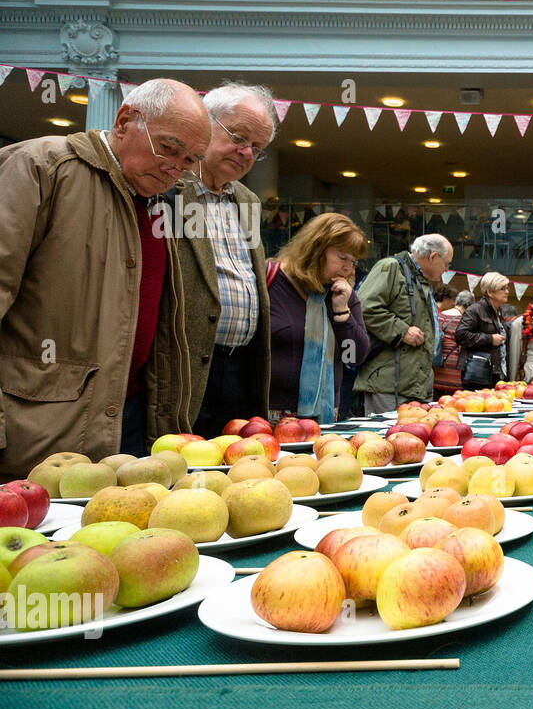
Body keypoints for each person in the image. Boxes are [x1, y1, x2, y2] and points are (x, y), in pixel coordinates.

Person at [0, 77, 209, 478]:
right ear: (125, 120)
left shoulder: (158, 203)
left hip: (127, 424)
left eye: (190, 160)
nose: (176, 168)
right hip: (36, 433)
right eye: (169, 148)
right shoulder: (41, 167)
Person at [171, 82, 277, 437]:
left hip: (240, 369)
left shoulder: (246, 200)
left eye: (256, 148)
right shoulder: (168, 188)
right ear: (204, 123)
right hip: (183, 369)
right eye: (239, 137)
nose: (246, 151)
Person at [266, 213, 371, 422]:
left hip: (322, 420)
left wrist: (342, 314)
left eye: (353, 261)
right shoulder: (270, 281)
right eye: (342, 258)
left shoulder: (342, 294)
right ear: (315, 249)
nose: (349, 268)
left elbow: (353, 358)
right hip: (266, 417)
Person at [354, 233, 452, 413]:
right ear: (433, 257)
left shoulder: (421, 281)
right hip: (388, 387)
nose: (446, 270)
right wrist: (402, 331)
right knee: (386, 439)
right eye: (446, 264)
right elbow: (364, 307)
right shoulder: (391, 267)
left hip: (413, 387)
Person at [456, 272, 510, 390]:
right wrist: (489, 339)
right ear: (490, 292)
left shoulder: (499, 311)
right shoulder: (475, 310)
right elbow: (461, 335)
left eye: (507, 287)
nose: (507, 291)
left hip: (497, 373)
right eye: (502, 288)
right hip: (479, 375)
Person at [433, 288, 468, 396]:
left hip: (437, 368)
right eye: (452, 300)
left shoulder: (438, 316)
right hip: (455, 371)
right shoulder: (463, 320)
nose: (453, 303)